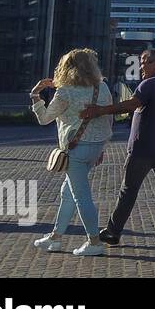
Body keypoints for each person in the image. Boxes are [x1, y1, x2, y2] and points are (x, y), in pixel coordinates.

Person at [81, 48, 155, 249]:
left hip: (143, 149)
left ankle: (113, 231)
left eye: (145, 62)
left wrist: (100, 110)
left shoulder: (149, 84)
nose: (141, 66)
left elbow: (131, 105)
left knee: (128, 190)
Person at [30, 49, 115, 257]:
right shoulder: (101, 87)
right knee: (67, 193)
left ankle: (94, 242)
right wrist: (102, 146)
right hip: (95, 146)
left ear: (66, 67)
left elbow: (45, 119)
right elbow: (108, 117)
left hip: (75, 149)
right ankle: (55, 238)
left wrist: (35, 96)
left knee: (81, 196)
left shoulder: (65, 91)